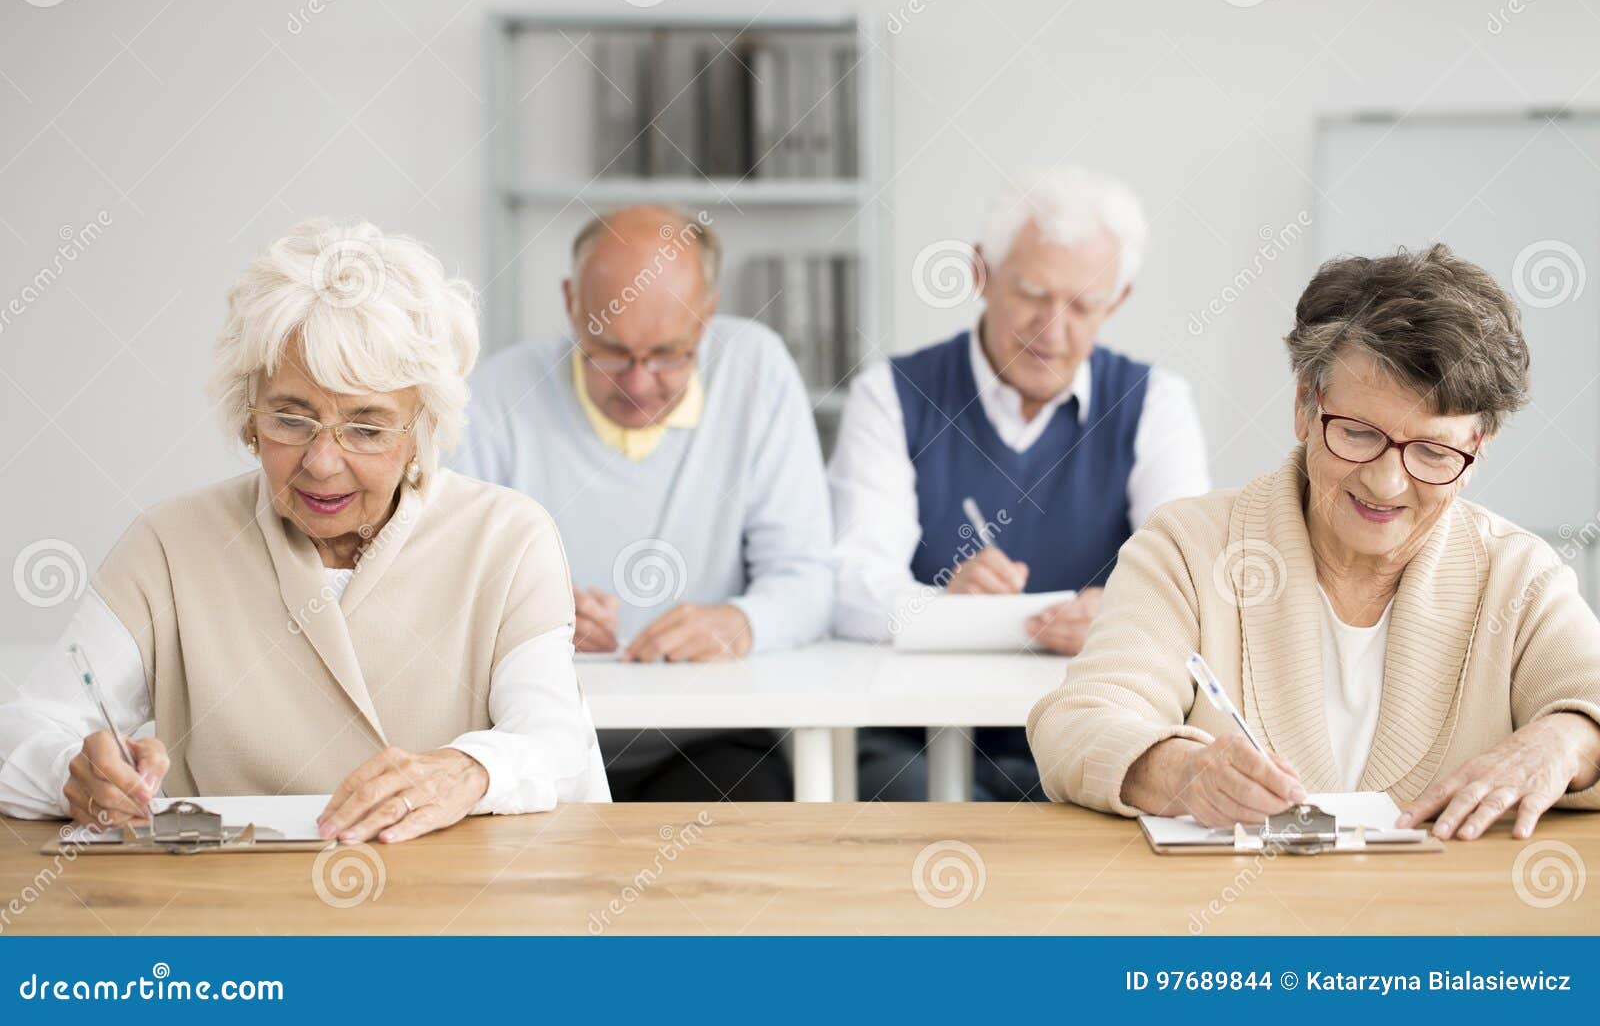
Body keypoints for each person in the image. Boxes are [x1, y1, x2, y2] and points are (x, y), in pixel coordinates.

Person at [0, 219, 609, 840]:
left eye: (366, 429)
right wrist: (70, 772)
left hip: (449, 910)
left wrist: (468, 771)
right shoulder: (171, 542)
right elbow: (25, 732)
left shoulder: (505, 538)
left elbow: (554, 743)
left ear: (422, 432)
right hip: (229, 915)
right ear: (248, 419)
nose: (321, 462)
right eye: (291, 420)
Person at [1029, 244, 1600, 839]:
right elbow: (1077, 725)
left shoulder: (1518, 575)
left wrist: (1564, 742)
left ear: (1477, 449)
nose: (1386, 482)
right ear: (1304, 405)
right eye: (1357, 434)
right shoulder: (1188, 549)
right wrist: (1182, 772)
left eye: (1433, 452)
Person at [829, 167, 1210, 800]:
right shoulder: (892, 398)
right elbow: (849, 585)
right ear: (981, 273)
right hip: (914, 739)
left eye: (1083, 305)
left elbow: (1191, 588)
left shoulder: (1157, 405)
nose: (1053, 330)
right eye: (1033, 294)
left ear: (1116, 302)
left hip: (1093, 731)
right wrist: (945, 602)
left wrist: (1120, 618)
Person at [454, 204, 832, 801]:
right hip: (533, 744)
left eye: (667, 355)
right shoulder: (496, 396)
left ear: (707, 314)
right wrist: (527, 623)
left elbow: (809, 577)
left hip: (708, 743)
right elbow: (447, 589)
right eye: (610, 352)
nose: (637, 383)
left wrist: (741, 622)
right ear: (572, 304)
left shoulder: (757, 372)